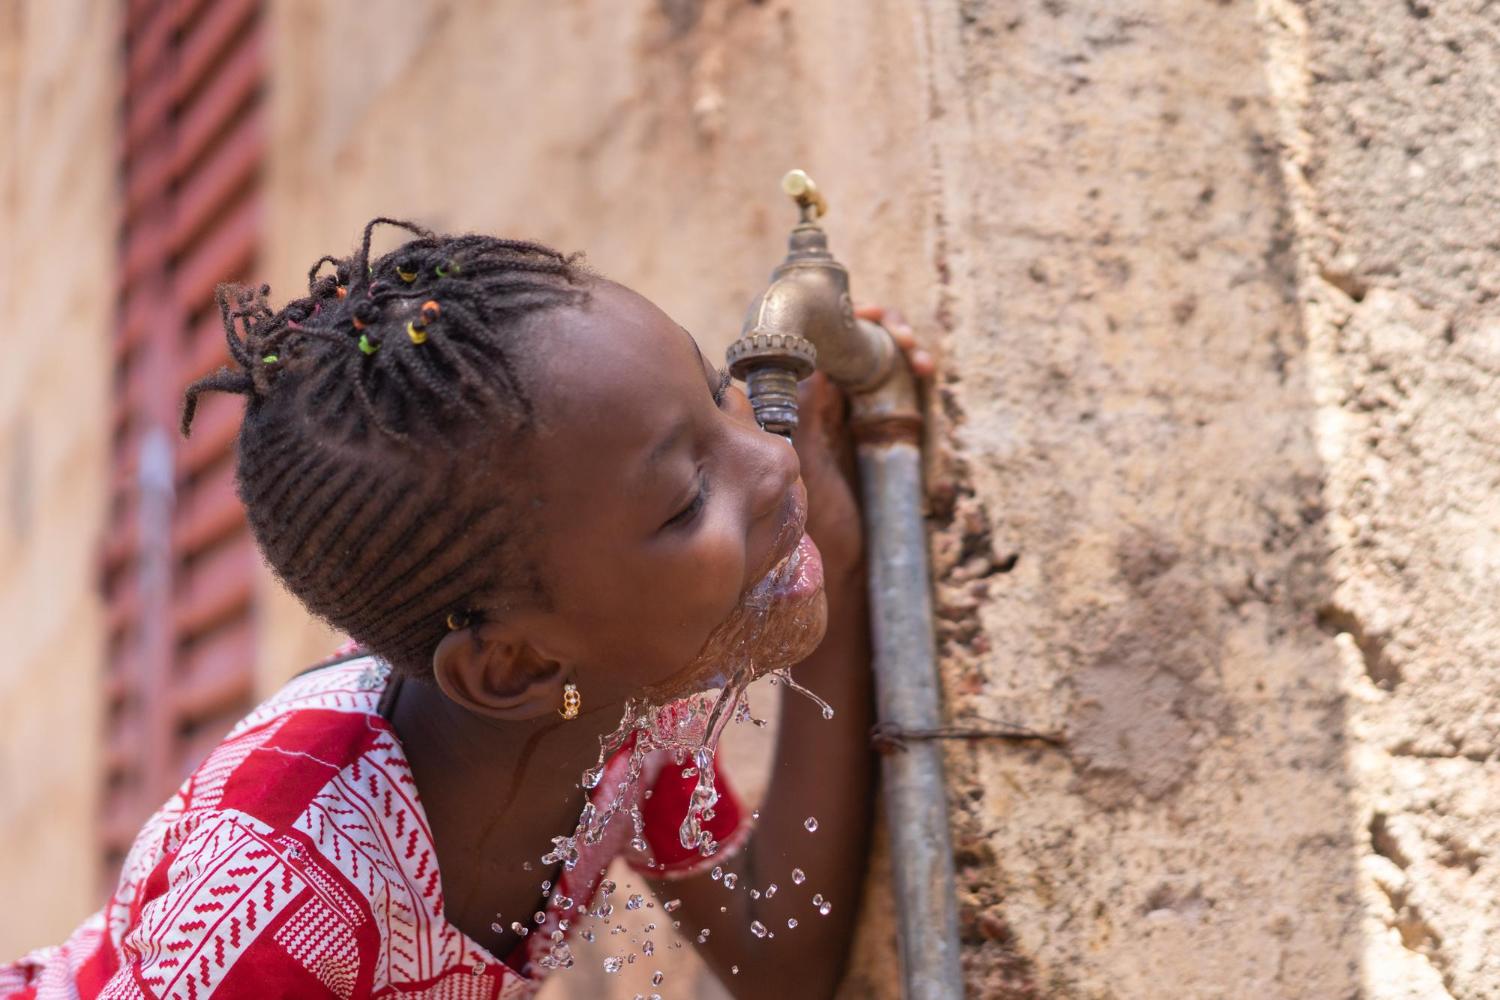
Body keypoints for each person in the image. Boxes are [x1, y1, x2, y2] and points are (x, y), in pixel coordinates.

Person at [0, 218, 931, 1000]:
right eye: (686, 502)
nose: (770, 463)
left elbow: (778, 950)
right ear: (514, 665)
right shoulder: (277, 901)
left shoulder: (618, 698)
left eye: (718, 399)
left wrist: (839, 567)